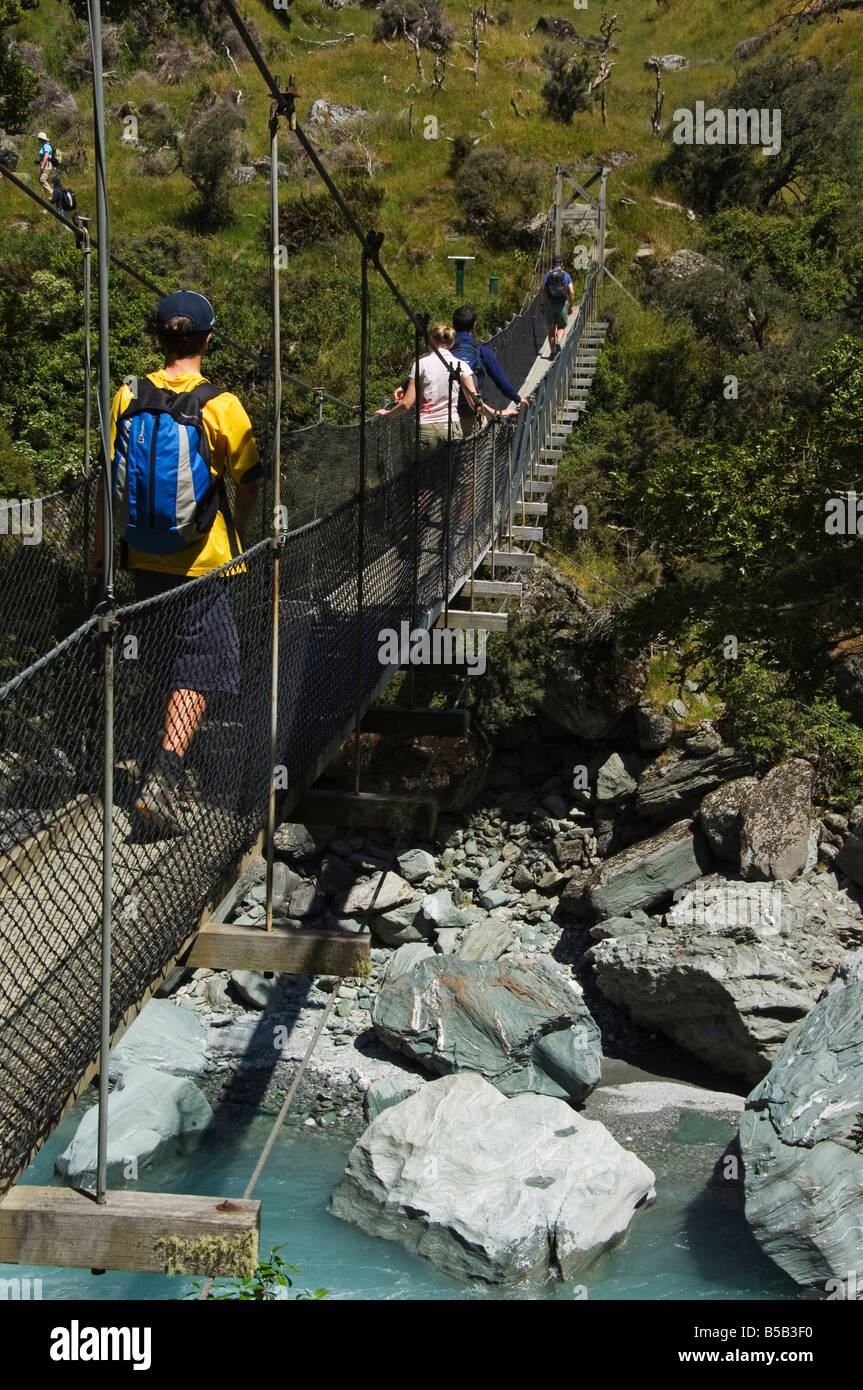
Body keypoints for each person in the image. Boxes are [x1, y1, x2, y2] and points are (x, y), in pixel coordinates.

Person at [90, 290, 262, 838]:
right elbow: (250, 481)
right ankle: (161, 782)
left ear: (160, 339)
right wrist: (245, 533)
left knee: (165, 660)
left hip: (142, 557)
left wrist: (102, 545)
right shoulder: (221, 405)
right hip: (202, 563)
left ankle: (158, 761)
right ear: (208, 340)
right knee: (197, 671)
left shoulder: (127, 394)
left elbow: (109, 474)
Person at [376, 323, 488, 455]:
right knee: (451, 473)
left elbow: (406, 404)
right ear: (451, 342)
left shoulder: (421, 364)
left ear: (431, 339)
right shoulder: (461, 365)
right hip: (451, 426)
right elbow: (476, 405)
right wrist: (498, 413)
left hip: (426, 428)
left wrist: (389, 414)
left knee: (428, 474)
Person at [450, 305, 529, 437]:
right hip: (474, 412)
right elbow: (499, 379)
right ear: (474, 325)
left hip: (448, 415)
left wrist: (405, 386)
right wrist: (516, 397)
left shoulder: (446, 349)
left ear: (453, 324)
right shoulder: (480, 348)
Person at [539, 254, 575, 358]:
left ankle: (552, 353)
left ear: (553, 264)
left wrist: (542, 304)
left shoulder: (548, 274)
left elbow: (543, 291)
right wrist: (571, 306)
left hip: (550, 304)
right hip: (562, 304)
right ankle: (559, 340)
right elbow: (571, 292)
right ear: (562, 264)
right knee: (561, 327)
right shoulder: (566, 275)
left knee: (551, 331)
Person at [35, 131, 55, 198]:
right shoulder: (44, 145)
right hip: (45, 163)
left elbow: (46, 156)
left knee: (42, 179)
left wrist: (43, 165)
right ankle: (48, 196)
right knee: (41, 180)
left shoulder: (46, 146)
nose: (38, 140)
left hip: (47, 164)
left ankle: (53, 193)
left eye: (39, 139)